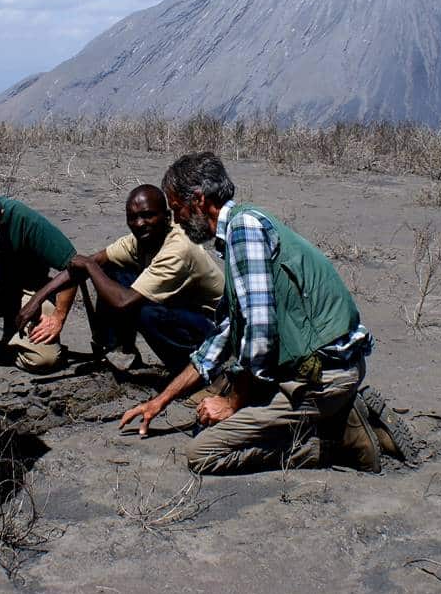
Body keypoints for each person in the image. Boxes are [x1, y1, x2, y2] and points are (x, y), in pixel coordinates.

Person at [120, 152, 403, 475]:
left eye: (176, 209)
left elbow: (258, 330)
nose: (177, 220)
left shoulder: (243, 230)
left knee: (203, 452)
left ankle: (337, 441)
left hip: (322, 377)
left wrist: (232, 403)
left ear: (197, 200)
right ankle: (336, 413)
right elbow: (224, 334)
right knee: (218, 415)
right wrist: (162, 400)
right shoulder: (245, 225)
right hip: (322, 369)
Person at [19, 184, 224, 373]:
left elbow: (122, 302)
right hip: (184, 309)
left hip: (217, 328)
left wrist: (90, 266)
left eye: (148, 215)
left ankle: (193, 371)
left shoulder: (177, 248)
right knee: (109, 269)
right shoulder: (138, 241)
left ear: (167, 217)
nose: (139, 223)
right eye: (132, 218)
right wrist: (38, 298)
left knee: (144, 310)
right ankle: (117, 352)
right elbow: (84, 265)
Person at [0, 188, 77, 374]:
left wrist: (58, 316)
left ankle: (4, 345)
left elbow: (74, 266)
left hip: (27, 294)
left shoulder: (23, 219)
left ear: (1, 218)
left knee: (43, 360)